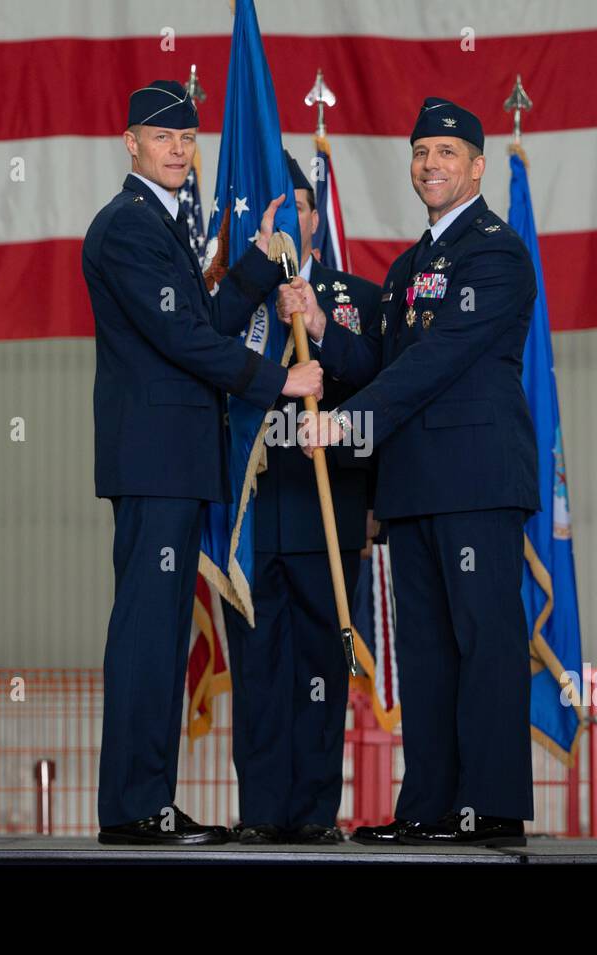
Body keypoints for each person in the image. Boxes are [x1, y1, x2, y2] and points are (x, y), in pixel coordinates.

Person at [283, 97, 540, 847]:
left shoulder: (496, 251)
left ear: (478, 166)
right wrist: (328, 329)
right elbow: (381, 366)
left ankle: (489, 805)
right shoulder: (406, 267)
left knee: (484, 641)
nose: (431, 164)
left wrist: (350, 423)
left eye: (448, 154)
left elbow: (436, 362)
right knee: (426, 650)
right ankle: (429, 805)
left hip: (476, 480)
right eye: (422, 152)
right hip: (414, 486)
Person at [82, 80, 323, 846]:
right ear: (131, 143)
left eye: (187, 138)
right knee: (147, 640)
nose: (180, 149)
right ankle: (133, 806)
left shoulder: (169, 229)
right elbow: (183, 342)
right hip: (155, 463)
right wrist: (280, 380)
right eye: (162, 137)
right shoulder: (126, 228)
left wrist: (253, 263)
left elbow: (203, 320)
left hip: (177, 465)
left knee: (160, 641)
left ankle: (147, 799)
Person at [222, 151, 381, 846]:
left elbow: (382, 381)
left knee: (322, 668)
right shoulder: (234, 302)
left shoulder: (357, 298)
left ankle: (315, 811)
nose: (292, 218)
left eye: (301, 204)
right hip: (255, 520)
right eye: (276, 207)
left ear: (316, 217)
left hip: (328, 513)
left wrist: (319, 328)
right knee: (258, 673)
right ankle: (261, 810)